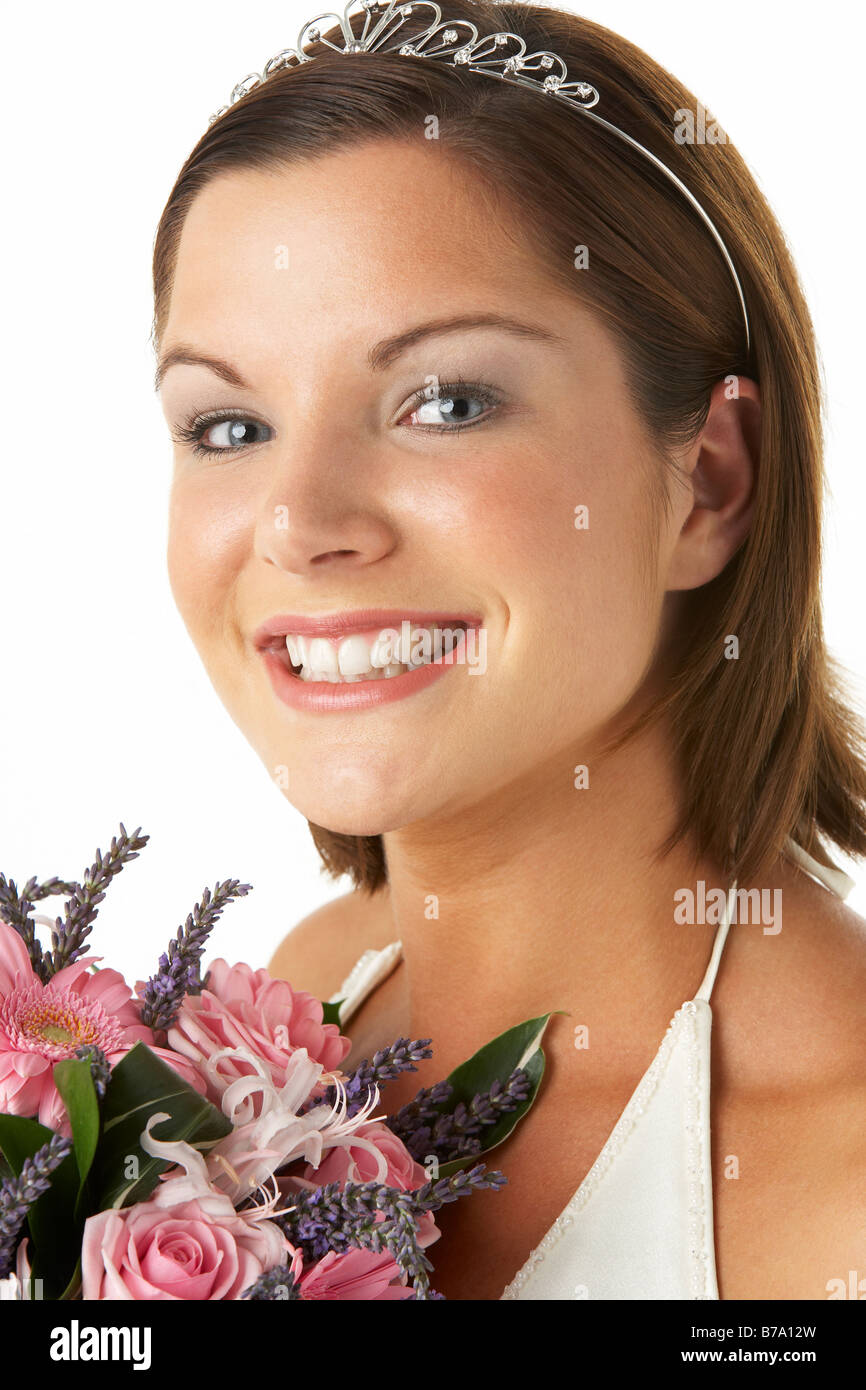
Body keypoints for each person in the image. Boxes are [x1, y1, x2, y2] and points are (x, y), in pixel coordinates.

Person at [152, 1, 866, 1299]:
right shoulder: (276, 1022)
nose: (302, 524)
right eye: (227, 424)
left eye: (446, 400)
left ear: (707, 481)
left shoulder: (840, 1179)